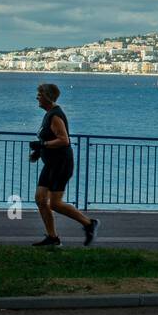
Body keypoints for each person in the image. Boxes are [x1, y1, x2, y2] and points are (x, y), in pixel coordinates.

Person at [31, 82, 98, 246]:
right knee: (40, 199)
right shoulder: (48, 114)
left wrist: (43, 146)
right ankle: (52, 238)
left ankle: (89, 223)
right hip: (50, 164)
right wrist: (38, 152)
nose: (37, 97)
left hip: (61, 164)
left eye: (39, 95)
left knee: (55, 203)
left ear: (47, 97)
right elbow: (47, 137)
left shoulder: (55, 115)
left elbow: (64, 140)